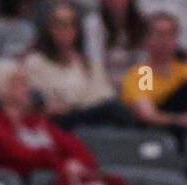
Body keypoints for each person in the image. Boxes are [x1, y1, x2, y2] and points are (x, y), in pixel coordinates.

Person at [0, 58, 153, 185]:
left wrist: (67, 163)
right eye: (19, 82)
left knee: (106, 182)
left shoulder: (36, 121)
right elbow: (20, 156)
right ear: (1, 86)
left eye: (26, 82)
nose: (27, 87)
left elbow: (80, 152)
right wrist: (62, 164)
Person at [22, 0, 123, 128]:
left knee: (116, 110)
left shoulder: (88, 64)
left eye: (71, 25)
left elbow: (103, 96)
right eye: (60, 24)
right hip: (59, 122)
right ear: (49, 28)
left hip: (90, 119)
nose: (65, 30)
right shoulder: (35, 63)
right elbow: (40, 103)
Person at [86, 0, 148, 83]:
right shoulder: (93, 23)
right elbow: (95, 62)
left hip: (135, 85)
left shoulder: (142, 21)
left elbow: (145, 61)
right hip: (105, 84)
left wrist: (142, 90)